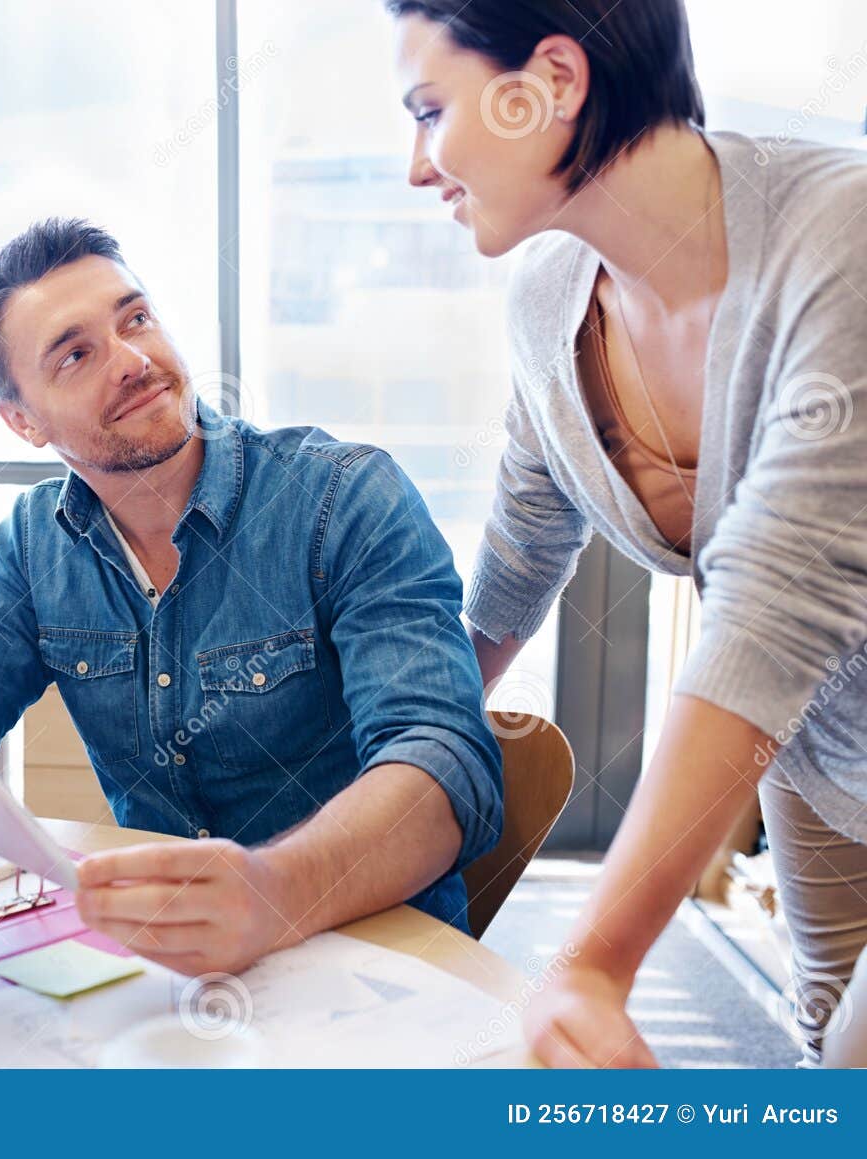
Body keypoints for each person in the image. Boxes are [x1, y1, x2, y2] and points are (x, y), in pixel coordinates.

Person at [0, 218, 503, 976]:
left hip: (378, 967)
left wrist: (271, 892)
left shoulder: (345, 498)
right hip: (171, 974)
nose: (135, 361)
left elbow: (445, 770)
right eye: (76, 355)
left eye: (135, 319)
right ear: (24, 422)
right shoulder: (36, 543)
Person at [388, 0, 867, 1065]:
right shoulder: (550, 294)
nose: (418, 166)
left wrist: (596, 962)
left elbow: (772, 614)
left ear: (553, 79)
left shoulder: (842, 237)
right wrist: (405, 745)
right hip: (814, 739)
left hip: (776, 686)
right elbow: (524, 539)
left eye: (429, 110)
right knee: (824, 1029)